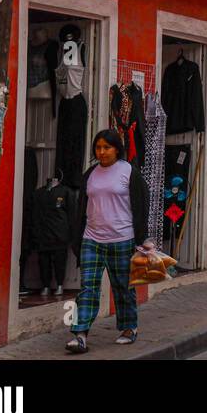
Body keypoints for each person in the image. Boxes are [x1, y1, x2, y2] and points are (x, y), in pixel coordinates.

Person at [65, 130, 150, 354]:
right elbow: (83, 206)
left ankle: (129, 328)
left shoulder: (129, 172)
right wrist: (77, 235)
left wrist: (141, 239)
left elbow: (141, 205)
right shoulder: (90, 174)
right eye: (98, 148)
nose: (101, 152)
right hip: (91, 238)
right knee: (88, 287)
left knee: (122, 286)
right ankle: (80, 334)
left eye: (106, 147)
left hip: (122, 239)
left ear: (117, 149)